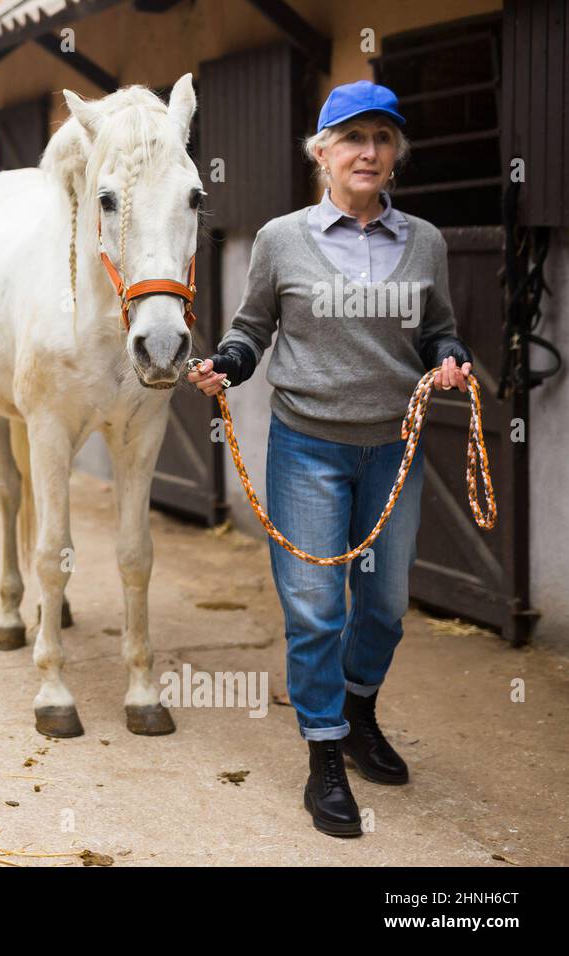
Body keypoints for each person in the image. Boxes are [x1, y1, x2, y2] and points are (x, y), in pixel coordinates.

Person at [187, 81, 474, 837]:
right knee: (316, 608)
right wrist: (229, 363)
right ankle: (324, 757)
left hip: (392, 450)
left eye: (382, 139)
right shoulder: (282, 239)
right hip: (307, 448)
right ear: (321, 153)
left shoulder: (426, 242)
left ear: (395, 155)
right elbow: (253, 329)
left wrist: (450, 359)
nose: (368, 152)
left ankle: (359, 711)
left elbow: (439, 329)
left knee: (382, 605)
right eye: (352, 138)